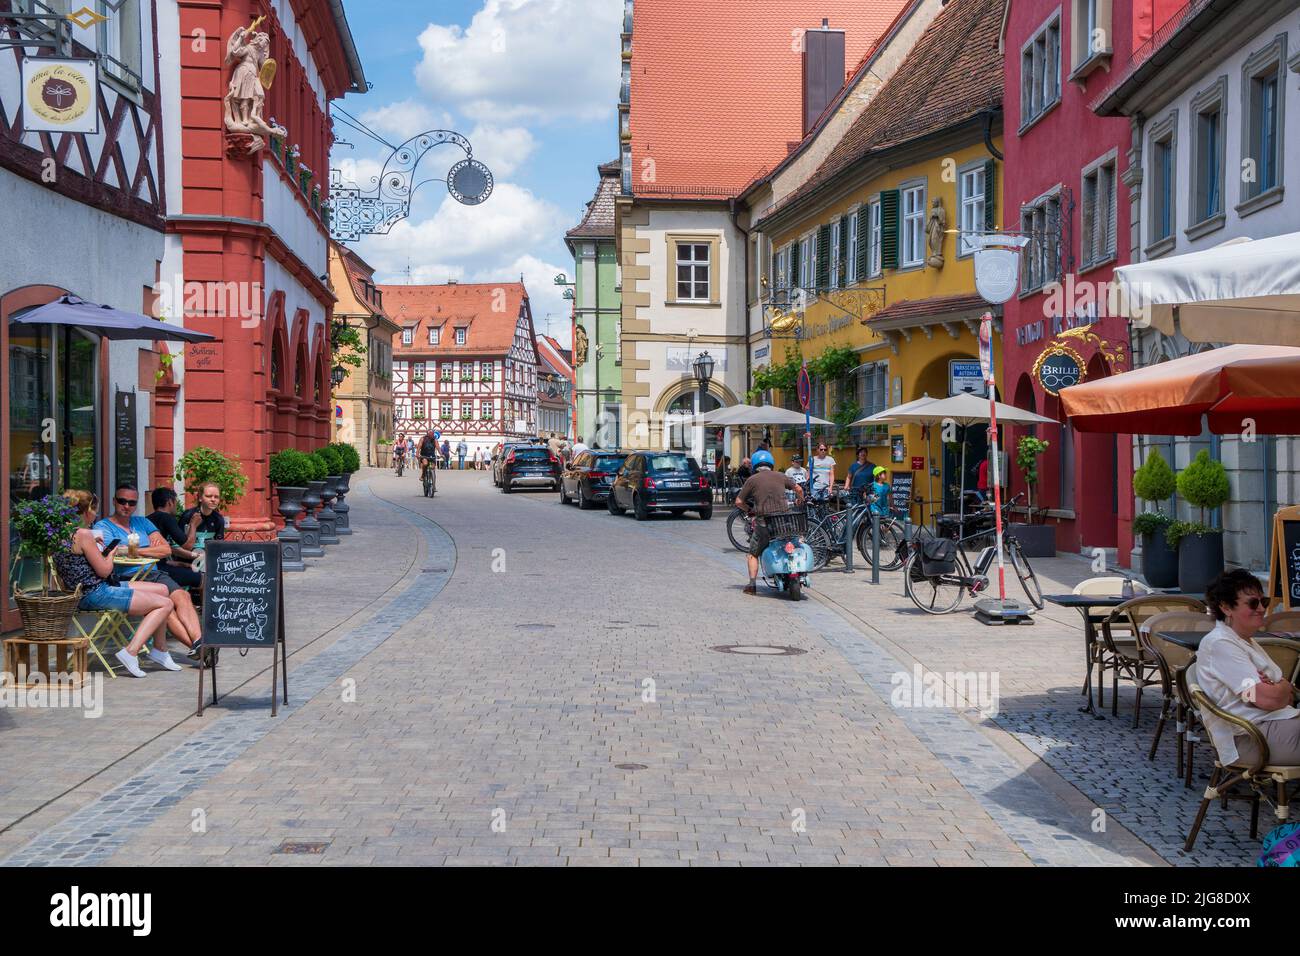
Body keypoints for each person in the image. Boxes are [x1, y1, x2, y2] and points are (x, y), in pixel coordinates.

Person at [61, 491, 180, 677]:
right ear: (87, 511)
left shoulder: (61, 533)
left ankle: (160, 649)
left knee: (163, 589)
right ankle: (130, 652)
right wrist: (111, 553)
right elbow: (105, 570)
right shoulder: (83, 534)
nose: (95, 515)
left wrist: (98, 547)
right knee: (166, 603)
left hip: (86, 591)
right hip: (95, 593)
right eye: (94, 510)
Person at [1197, 569, 1300, 766]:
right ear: (1226, 607)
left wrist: (1279, 689)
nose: (1261, 608)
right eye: (1253, 603)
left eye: (1264, 601)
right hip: (1252, 739)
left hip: (1274, 725)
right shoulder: (1221, 644)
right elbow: (1266, 698)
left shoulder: (1244, 641)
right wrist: (1282, 687)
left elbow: (1283, 697)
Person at [94, 484, 202, 653]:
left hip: (152, 572)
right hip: (125, 577)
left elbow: (165, 550)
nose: (127, 506)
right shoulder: (104, 526)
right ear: (114, 501)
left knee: (183, 595)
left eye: (132, 502)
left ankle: (199, 642)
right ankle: (200, 650)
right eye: (122, 501)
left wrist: (132, 550)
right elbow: (113, 553)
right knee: (166, 606)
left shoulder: (142, 522)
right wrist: (150, 550)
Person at [734, 450, 804, 596]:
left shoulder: (752, 480)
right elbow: (798, 488)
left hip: (764, 523)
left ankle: (752, 585)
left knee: (753, 554)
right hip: (784, 521)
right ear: (771, 463)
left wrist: (750, 510)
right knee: (795, 542)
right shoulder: (781, 475)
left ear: (754, 465)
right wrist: (799, 500)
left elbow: (739, 502)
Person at [146, 487, 204, 591]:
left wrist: (181, 564)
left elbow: (161, 558)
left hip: (150, 567)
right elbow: (188, 546)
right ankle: (206, 607)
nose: (176, 506)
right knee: (202, 577)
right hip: (158, 571)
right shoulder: (166, 518)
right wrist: (193, 525)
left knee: (187, 567)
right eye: (175, 502)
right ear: (170, 502)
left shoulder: (148, 518)